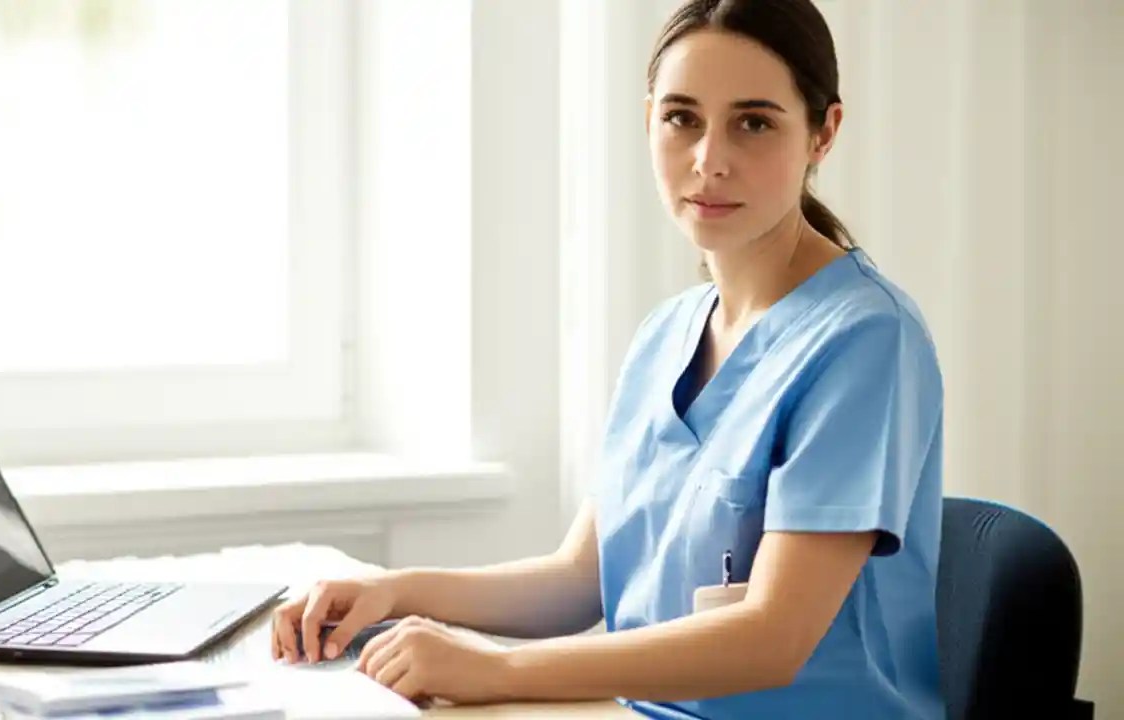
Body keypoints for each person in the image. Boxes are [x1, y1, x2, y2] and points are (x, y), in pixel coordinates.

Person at [271, 0, 946, 717]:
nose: (709, 160)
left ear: (823, 132)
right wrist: (396, 589)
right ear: (649, 117)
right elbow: (578, 579)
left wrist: (497, 669)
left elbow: (771, 639)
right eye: (682, 118)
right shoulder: (667, 335)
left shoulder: (867, 340)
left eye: (754, 122)